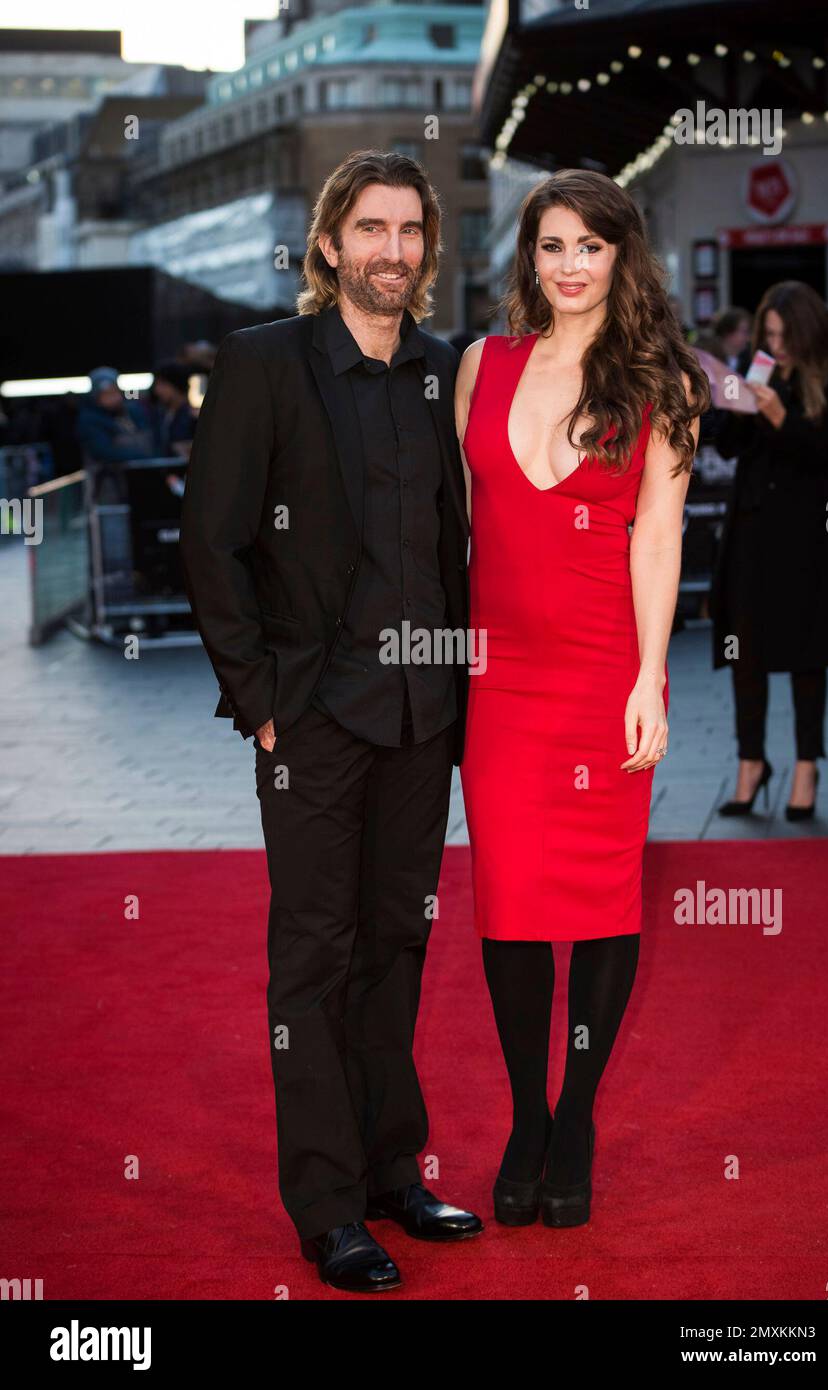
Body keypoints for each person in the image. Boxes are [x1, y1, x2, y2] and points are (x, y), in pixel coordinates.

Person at [179, 150, 481, 1295]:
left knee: (396, 946)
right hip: (310, 721)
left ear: (425, 249)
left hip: (419, 715)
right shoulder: (263, 365)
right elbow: (210, 543)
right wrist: (259, 703)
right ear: (328, 244)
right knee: (312, 957)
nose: (390, 250)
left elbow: (452, 547)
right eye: (370, 229)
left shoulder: (438, 371)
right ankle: (323, 1206)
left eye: (408, 231)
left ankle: (389, 1168)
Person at [455, 169, 708, 1228]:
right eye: (550, 245)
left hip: (602, 672)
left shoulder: (663, 380)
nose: (567, 265)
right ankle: (525, 1112)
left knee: (602, 901)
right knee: (508, 905)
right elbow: (455, 523)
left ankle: (578, 1117)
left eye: (587, 247)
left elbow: (658, 535)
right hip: (497, 678)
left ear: (619, 256)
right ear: (529, 256)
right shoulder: (481, 363)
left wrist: (648, 675)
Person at [710, 282, 828, 820]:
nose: (776, 344)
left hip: (809, 529)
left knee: (806, 649)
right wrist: (737, 404)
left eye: (783, 335)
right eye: (767, 335)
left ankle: (805, 766)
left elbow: (822, 446)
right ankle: (750, 762)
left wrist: (777, 414)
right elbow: (725, 443)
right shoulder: (761, 362)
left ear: (807, 329)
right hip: (753, 524)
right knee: (743, 648)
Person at [76, 367, 155, 502]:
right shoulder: (89, 419)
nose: (112, 398)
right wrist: (142, 457)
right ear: (96, 396)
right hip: (108, 486)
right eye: (105, 394)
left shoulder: (133, 411)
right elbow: (103, 451)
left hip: (145, 482)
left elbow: (151, 437)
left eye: (114, 392)